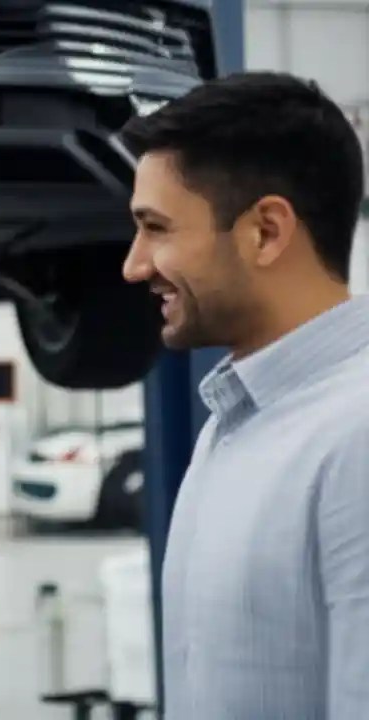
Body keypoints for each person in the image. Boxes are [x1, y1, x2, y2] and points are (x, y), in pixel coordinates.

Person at [119, 71, 369, 719]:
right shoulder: (235, 423)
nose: (134, 265)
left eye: (157, 228)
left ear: (265, 231)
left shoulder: (356, 434)